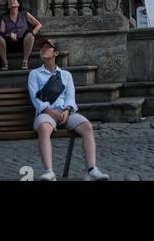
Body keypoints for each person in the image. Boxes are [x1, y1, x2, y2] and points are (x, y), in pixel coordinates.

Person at [28, 38, 109, 181]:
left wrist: (66, 110)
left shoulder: (66, 75)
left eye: (48, 47)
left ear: (56, 53)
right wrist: (50, 112)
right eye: (42, 47)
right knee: (44, 128)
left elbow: (70, 97)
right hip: (46, 113)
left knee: (87, 127)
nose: (43, 49)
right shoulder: (34, 74)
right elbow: (36, 99)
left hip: (65, 113)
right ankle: (49, 172)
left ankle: (91, 169)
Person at [0, 0, 43, 70]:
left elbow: (39, 25)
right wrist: (9, 35)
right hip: (9, 43)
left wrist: (32, 34)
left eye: (13, 0)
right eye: (9, 1)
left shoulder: (24, 14)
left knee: (29, 34)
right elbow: (1, 33)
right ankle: (5, 62)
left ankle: (25, 61)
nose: (11, 1)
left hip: (24, 42)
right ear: (8, 6)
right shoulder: (5, 18)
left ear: (18, 4)